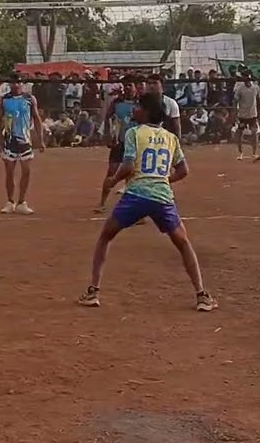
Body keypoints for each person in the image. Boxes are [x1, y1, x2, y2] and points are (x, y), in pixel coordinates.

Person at [77, 92, 216, 312]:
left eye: (138, 106)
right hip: (162, 197)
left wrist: (113, 180)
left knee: (106, 236)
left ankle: (93, 291)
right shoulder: (171, 138)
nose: (134, 110)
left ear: (147, 111)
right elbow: (183, 170)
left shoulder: (134, 133)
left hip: (136, 195)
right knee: (183, 243)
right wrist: (163, 179)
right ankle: (202, 295)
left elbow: (128, 166)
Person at [0, 77, 43, 214]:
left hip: (25, 139)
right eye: (13, 82)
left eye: (18, 82)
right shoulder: (5, 100)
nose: (16, 85)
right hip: (9, 140)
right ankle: (10, 201)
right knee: (9, 172)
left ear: (22, 84)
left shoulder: (29, 99)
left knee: (26, 171)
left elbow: (36, 118)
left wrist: (40, 139)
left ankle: (22, 202)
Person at [97, 83, 138, 212]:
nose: (127, 88)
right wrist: (108, 135)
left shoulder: (140, 102)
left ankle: (132, 205)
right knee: (111, 171)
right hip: (119, 142)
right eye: (126, 86)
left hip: (135, 143)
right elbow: (107, 118)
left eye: (130, 85)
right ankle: (102, 203)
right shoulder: (117, 102)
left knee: (133, 174)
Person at [232, 73, 260, 162]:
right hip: (242, 115)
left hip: (252, 115)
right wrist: (235, 113)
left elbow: (258, 100)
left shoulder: (255, 88)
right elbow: (235, 101)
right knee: (239, 133)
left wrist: (258, 112)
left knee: (254, 133)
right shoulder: (240, 88)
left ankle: (254, 153)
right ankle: (240, 152)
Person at [145, 74, 182, 139]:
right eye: (149, 83)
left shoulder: (171, 103)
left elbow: (176, 125)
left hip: (164, 138)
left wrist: (177, 140)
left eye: (155, 83)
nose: (151, 86)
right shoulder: (141, 102)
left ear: (162, 85)